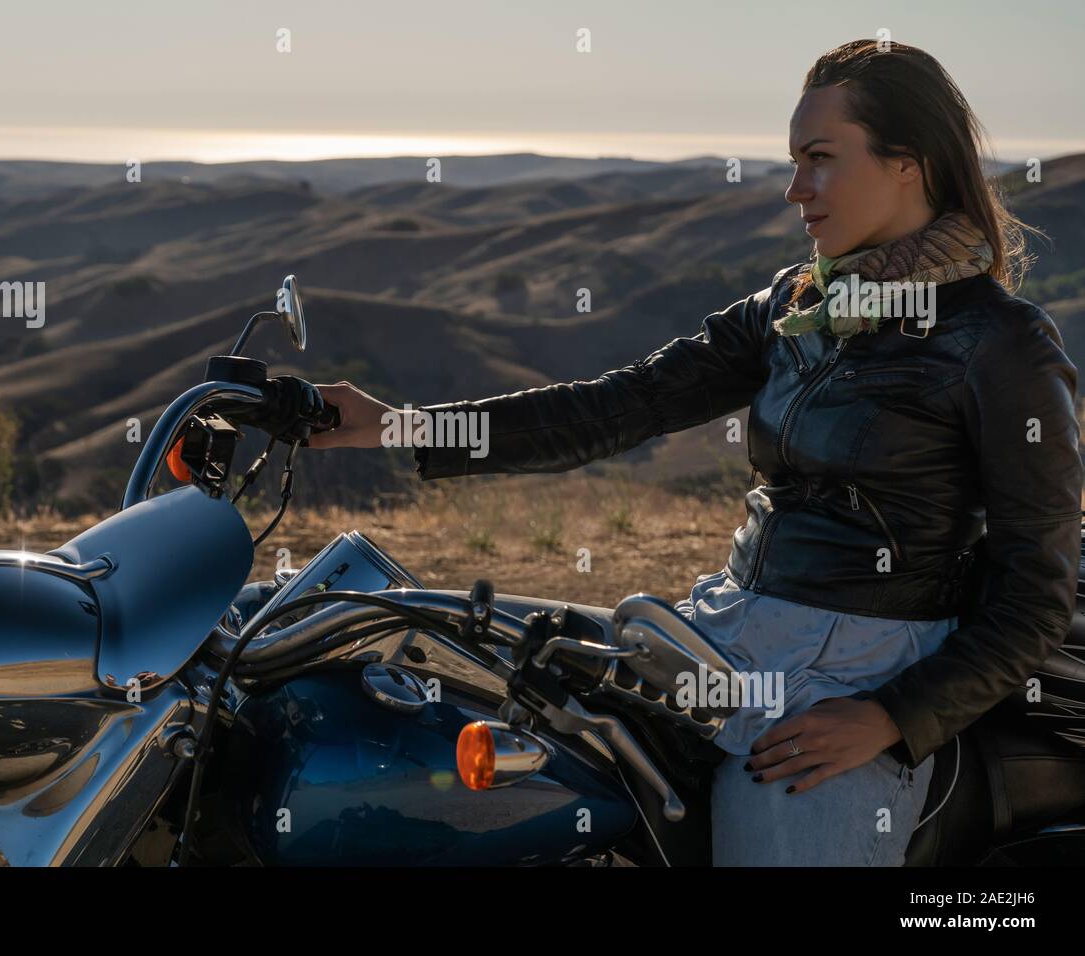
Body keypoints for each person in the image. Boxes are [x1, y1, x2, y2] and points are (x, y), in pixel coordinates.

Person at [299, 39, 1083, 865]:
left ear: (908, 166)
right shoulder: (795, 306)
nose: (794, 190)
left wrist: (895, 717)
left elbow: (1035, 591)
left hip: (855, 679)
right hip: (725, 630)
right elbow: (615, 406)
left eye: (819, 160)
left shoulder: (1002, 344)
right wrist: (398, 426)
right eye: (792, 161)